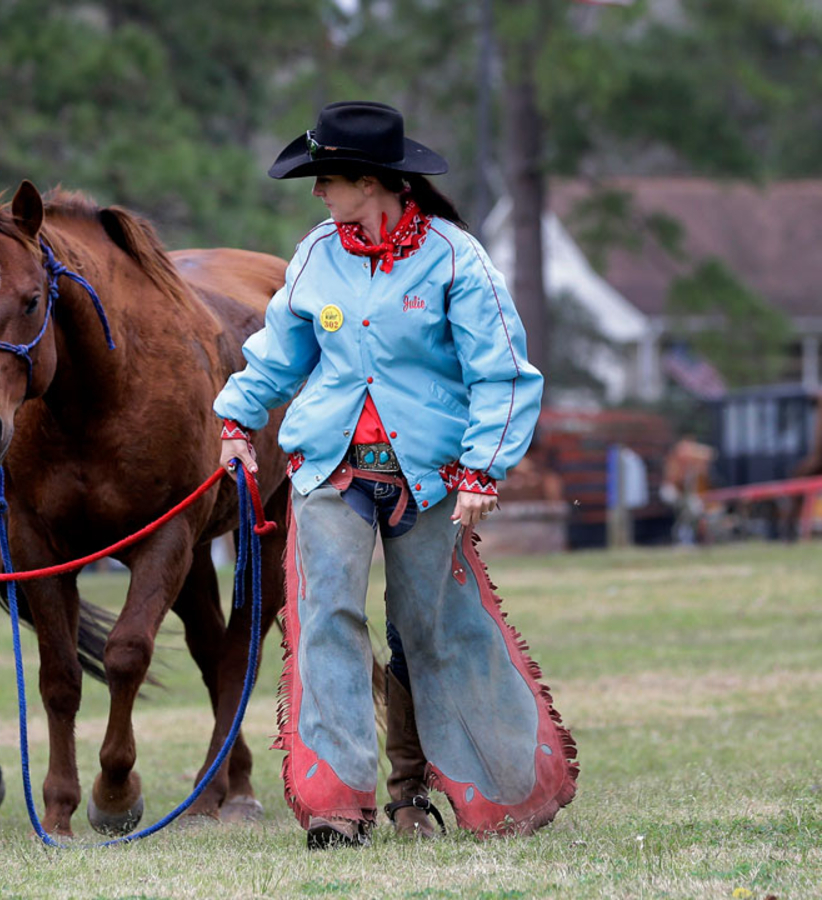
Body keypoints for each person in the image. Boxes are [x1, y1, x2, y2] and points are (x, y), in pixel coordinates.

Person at [212, 101, 577, 848]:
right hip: (330, 470)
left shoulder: (454, 258)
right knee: (326, 623)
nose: (317, 194)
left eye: (327, 179)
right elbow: (280, 353)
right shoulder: (316, 255)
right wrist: (235, 420)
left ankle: (418, 793)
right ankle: (338, 808)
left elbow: (502, 373)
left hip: (434, 478)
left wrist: (484, 468)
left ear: (369, 182)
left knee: (426, 630)